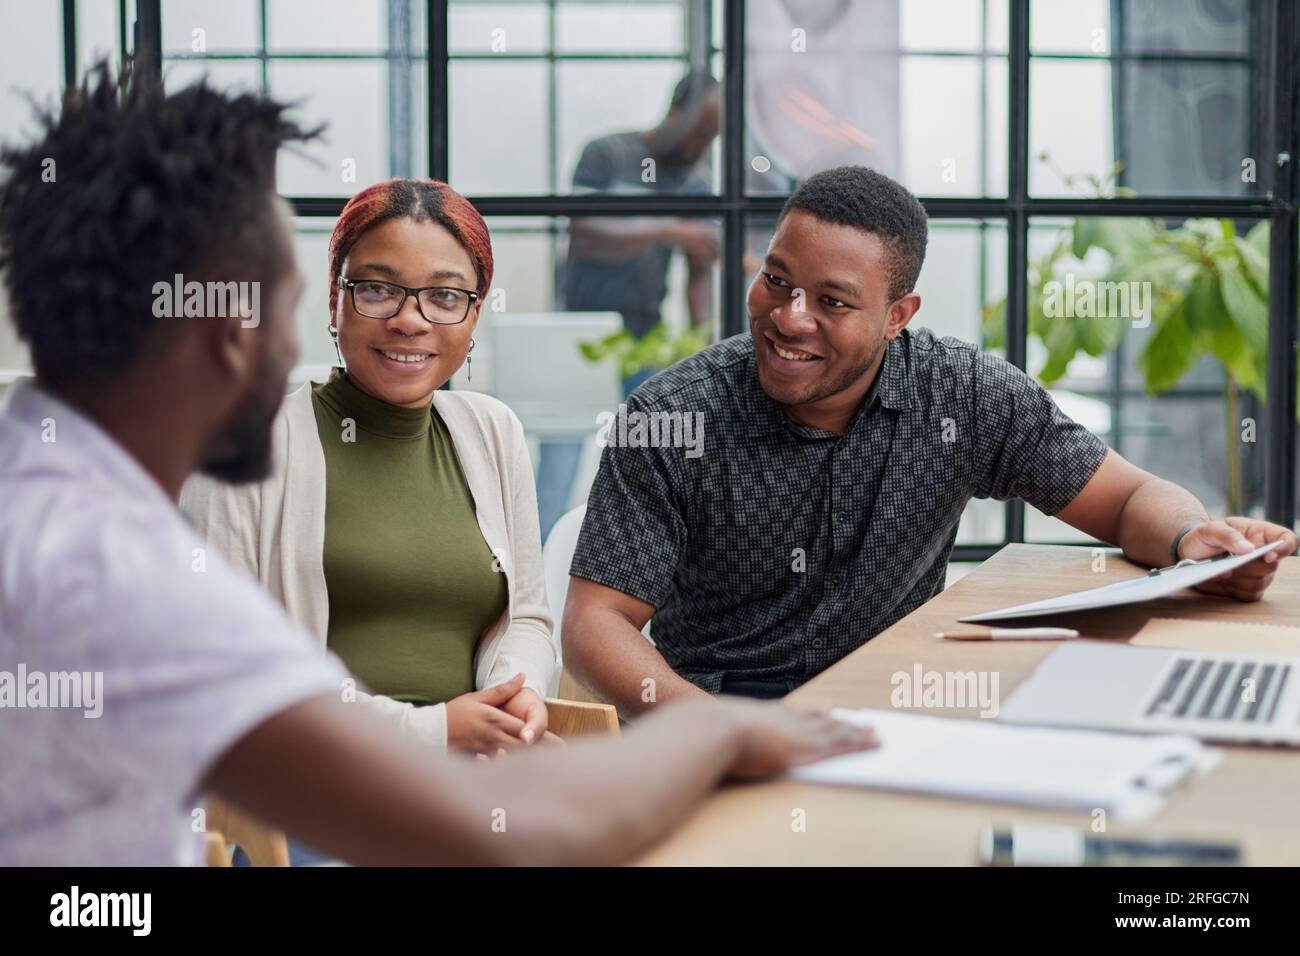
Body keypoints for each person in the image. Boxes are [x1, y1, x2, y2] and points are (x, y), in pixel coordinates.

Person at [0, 61, 876, 866]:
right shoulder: (107, 574)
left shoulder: (43, 502)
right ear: (225, 330)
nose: (403, 321)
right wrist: (716, 732)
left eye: (443, 296)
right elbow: (503, 832)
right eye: (304, 303)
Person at [562, 164, 1300, 715]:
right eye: (777, 281)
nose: (788, 317)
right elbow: (596, 623)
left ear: (896, 314)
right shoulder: (671, 416)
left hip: (901, 703)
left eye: (832, 301)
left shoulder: (965, 394)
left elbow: (1129, 496)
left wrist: (1190, 538)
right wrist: (709, 726)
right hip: (718, 712)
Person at [182, 179, 557, 761]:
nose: (410, 320)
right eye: (378, 290)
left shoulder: (491, 430)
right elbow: (221, 665)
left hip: (477, 776)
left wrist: (517, 696)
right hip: (316, 788)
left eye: (445, 296)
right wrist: (434, 732)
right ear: (335, 300)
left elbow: (527, 619)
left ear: (473, 314)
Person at [536, 70, 722, 539]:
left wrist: (706, 348)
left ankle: (630, 559)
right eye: (701, 130)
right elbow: (587, 234)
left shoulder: (696, 177)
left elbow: (699, 267)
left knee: (651, 453)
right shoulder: (608, 153)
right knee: (561, 456)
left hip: (645, 337)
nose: (703, 144)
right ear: (675, 112)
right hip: (582, 332)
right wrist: (670, 228)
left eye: (712, 137)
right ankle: (530, 572)